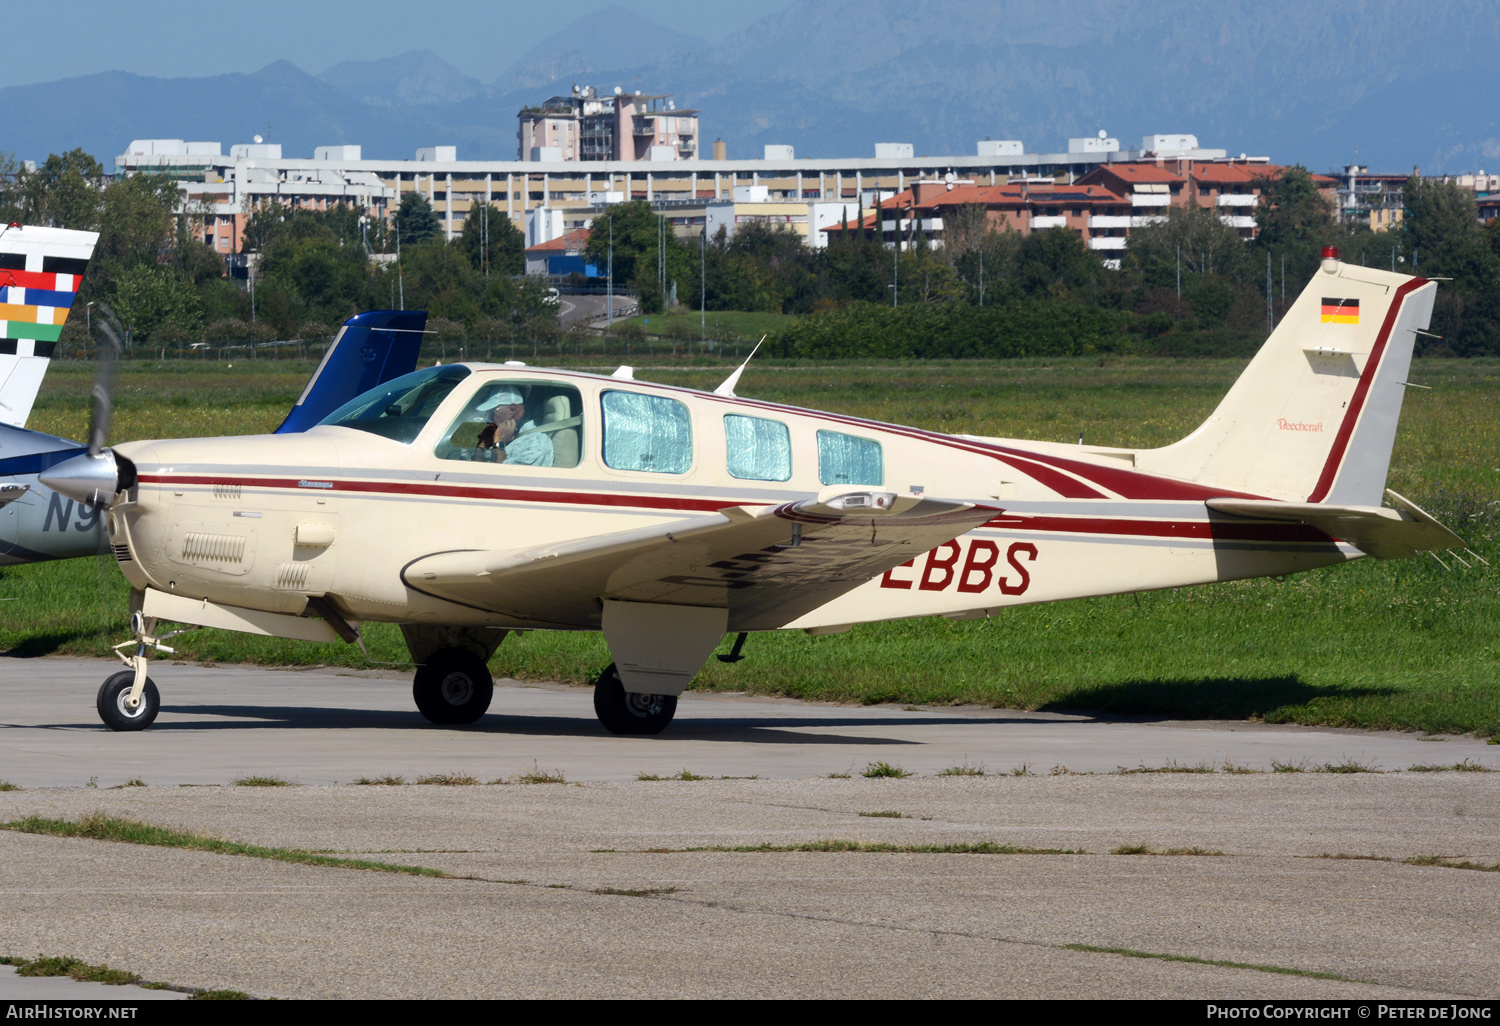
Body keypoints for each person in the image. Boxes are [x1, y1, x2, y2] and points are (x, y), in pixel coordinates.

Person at [475, 387, 554, 466]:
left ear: (512, 410)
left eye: (491, 413)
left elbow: (504, 476)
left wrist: (500, 444)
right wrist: (483, 444)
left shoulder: (535, 443)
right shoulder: (510, 436)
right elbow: (478, 468)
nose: (488, 419)